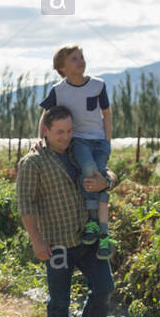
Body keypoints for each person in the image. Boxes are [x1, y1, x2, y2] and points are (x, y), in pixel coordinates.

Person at [16, 105, 114, 317]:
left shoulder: (78, 152)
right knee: (59, 301)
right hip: (57, 244)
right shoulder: (33, 162)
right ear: (45, 131)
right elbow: (25, 204)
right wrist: (37, 240)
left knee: (104, 287)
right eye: (60, 132)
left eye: (70, 130)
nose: (66, 136)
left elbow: (108, 171)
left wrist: (107, 182)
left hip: (88, 238)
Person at [36, 45, 117, 260]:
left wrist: (107, 141)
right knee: (90, 170)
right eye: (74, 59)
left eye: (81, 57)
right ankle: (96, 225)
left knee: (99, 176)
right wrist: (40, 139)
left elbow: (107, 114)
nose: (80, 61)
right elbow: (46, 115)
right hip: (79, 140)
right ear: (61, 67)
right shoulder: (59, 90)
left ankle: (100, 230)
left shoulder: (98, 85)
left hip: (99, 141)